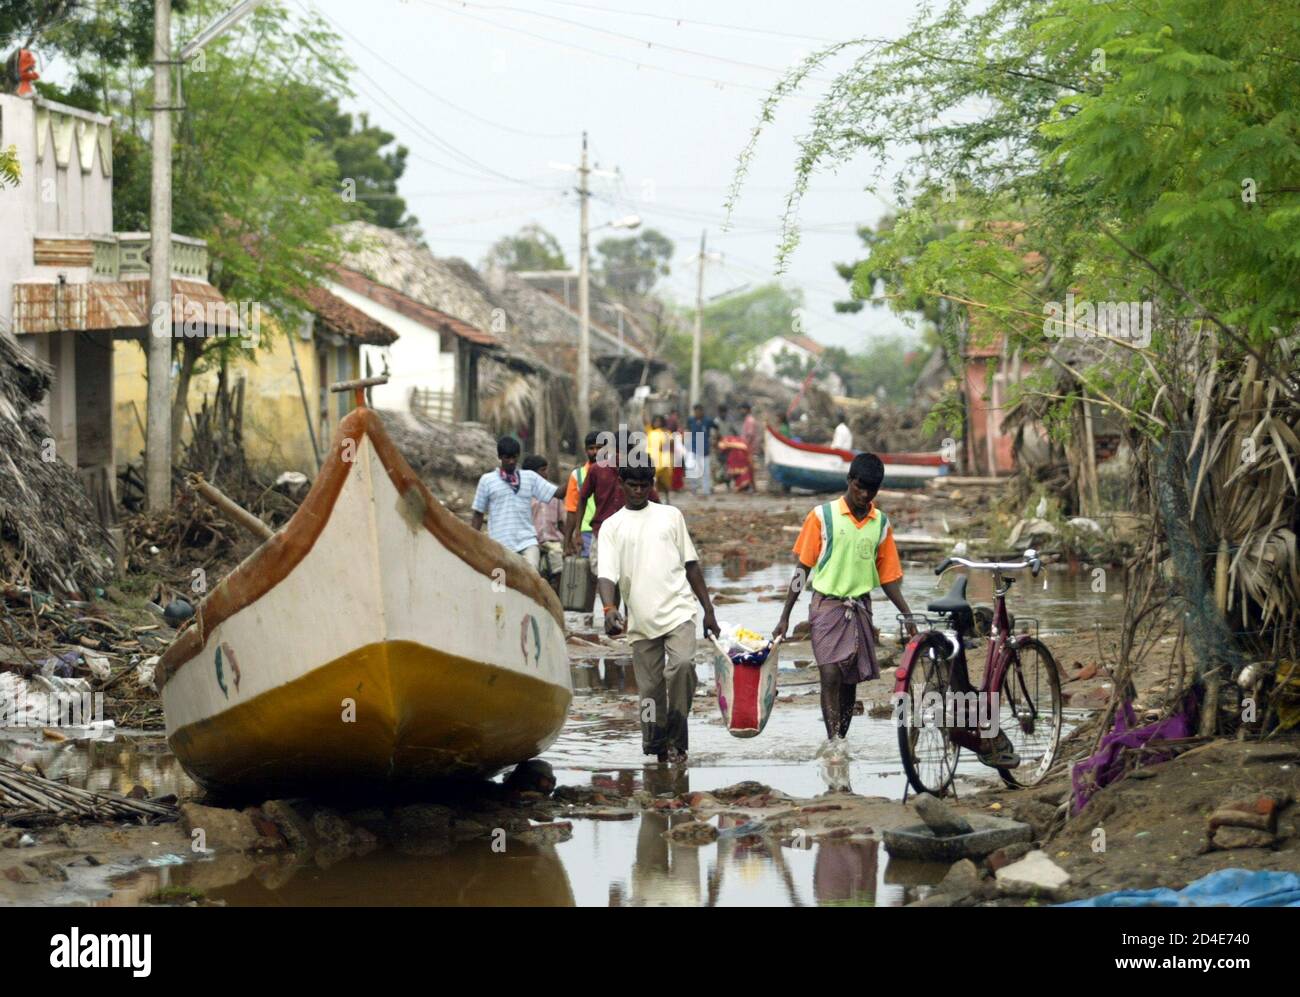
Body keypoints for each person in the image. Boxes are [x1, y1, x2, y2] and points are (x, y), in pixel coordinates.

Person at [772, 453, 914, 754]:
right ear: (849, 481)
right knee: (831, 674)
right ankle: (834, 742)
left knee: (850, 680)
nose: (864, 495)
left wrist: (907, 613)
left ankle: (841, 740)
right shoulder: (822, 517)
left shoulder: (881, 524)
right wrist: (786, 615)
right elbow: (803, 569)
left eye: (871, 490)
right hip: (826, 606)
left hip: (860, 607)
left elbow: (888, 577)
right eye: (859, 487)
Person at [598, 462, 719, 764]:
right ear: (621, 483)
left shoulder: (670, 516)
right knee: (650, 690)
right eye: (633, 485)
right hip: (640, 618)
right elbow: (606, 576)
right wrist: (609, 608)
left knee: (682, 666)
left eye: (644, 485)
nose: (639, 491)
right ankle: (656, 746)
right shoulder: (612, 527)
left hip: (679, 609)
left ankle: (678, 739)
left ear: (651, 483)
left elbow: (691, 563)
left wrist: (708, 609)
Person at [577, 429, 658, 580]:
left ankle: (615, 604)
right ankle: (611, 604)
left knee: (627, 577)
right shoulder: (597, 469)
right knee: (605, 575)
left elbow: (654, 501)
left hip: (631, 533)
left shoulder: (636, 472)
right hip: (602, 531)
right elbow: (582, 498)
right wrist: (577, 532)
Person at [470, 436, 557, 571]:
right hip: (499, 544)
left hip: (527, 542)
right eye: (507, 457)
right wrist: (472, 543)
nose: (511, 461)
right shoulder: (487, 480)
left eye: (514, 458)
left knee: (531, 580)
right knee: (499, 587)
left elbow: (558, 493)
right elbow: (478, 514)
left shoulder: (530, 477)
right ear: (500, 456)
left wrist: (577, 477)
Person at [522, 454, 565, 587]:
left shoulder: (555, 492)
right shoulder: (523, 494)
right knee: (531, 574)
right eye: (542, 470)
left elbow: (561, 522)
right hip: (531, 540)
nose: (546, 473)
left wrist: (569, 541)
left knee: (559, 570)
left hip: (552, 541)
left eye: (546, 469)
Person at [563, 431, 601, 556]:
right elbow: (572, 510)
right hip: (586, 532)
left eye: (599, 448)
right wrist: (568, 541)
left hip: (609, 530)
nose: (595, 452)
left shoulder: (614, 472)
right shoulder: (577, 475)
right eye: (591, 448)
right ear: (586, 450)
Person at [685, 404, 716, 496]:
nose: (697, 413)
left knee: (706, 472)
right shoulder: (691, 420)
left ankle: (706, 490)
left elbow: (716, 427)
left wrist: (715, 438)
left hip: (705, 449)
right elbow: (687, 431)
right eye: (696, 411)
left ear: (702, 411)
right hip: (693, 448)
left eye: (699, 411)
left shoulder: (708, 421)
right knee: (692, 471)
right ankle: (694, 489)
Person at [645, 414, 674, 506]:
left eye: (659, 421)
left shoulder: (666, 432)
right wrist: (643, 411)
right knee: (653, 482)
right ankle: (655, 501)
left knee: (665, 483)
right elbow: (645, 421)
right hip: (652, 460)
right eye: (655, 421)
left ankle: (667, 499)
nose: (657, 423)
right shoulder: (650, 431)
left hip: (664, 461)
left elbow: (671, 444)